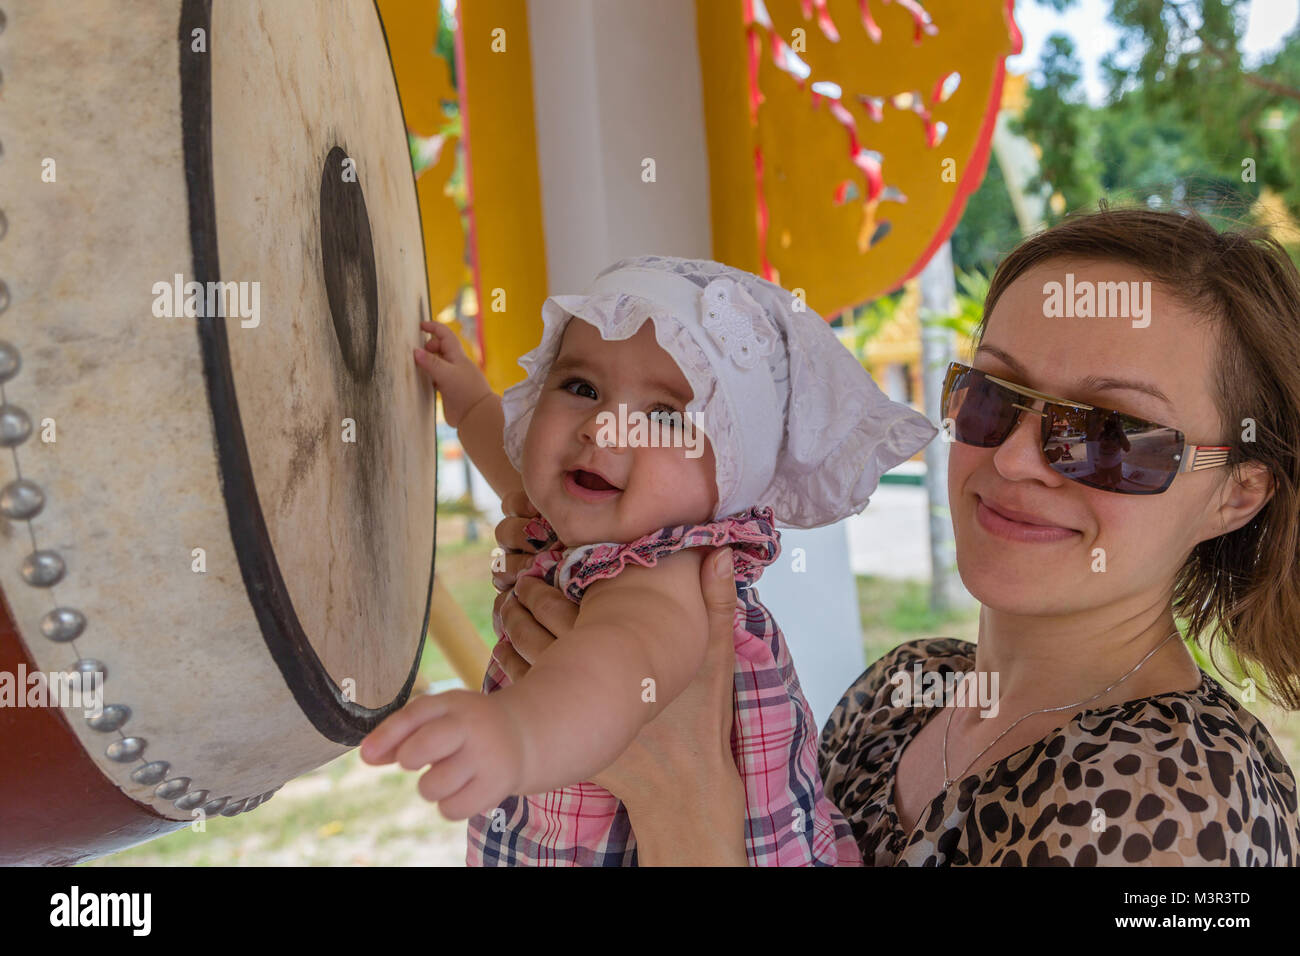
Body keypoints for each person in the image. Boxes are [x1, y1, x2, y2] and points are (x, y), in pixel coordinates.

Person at [490, 206, 1300, 865]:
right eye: (991, 395)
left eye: (1111, 434)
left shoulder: (1188, 801)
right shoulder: (903, 693)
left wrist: (681, 797)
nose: (1015, 458)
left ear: (1236, 495)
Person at [360, 255, 935, 865]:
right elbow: (508, 458)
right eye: (581, 388)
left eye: (664, 417)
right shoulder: (578, 516)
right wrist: (466, 395)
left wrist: (516, 734)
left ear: (731, 476)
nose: (603, 428)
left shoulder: (668, 571)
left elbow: (612, 665)